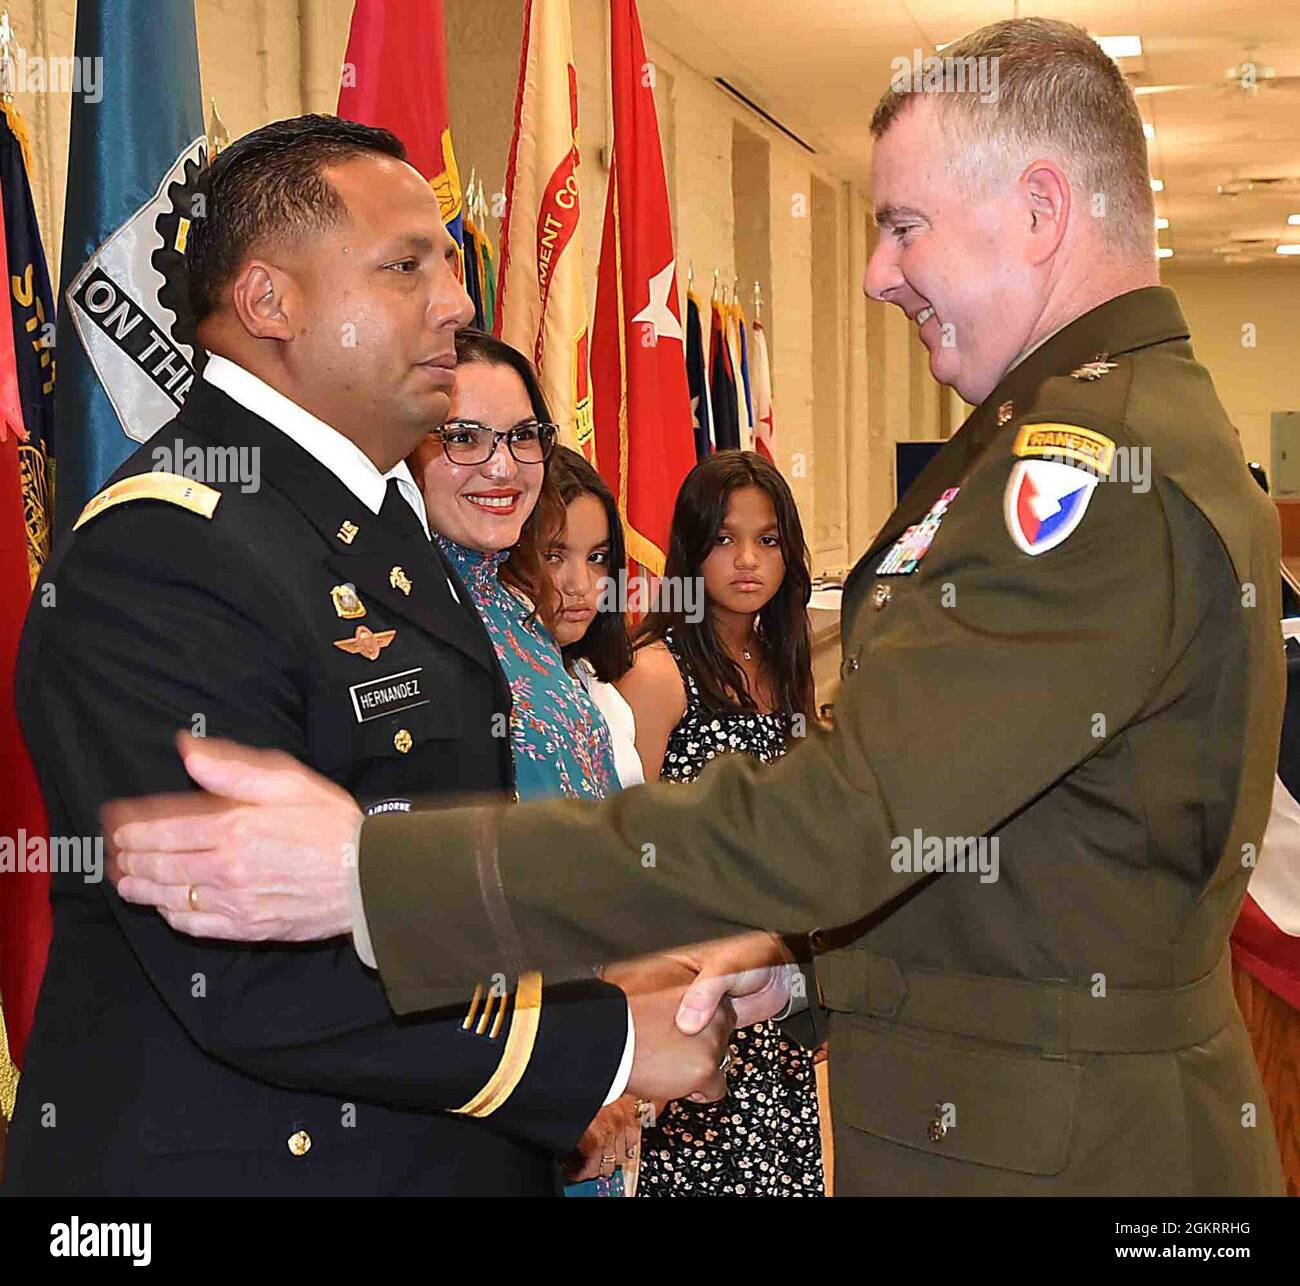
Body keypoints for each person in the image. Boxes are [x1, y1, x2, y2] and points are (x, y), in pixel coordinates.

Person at [108, 19, 1288, 1196]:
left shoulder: (1088, 471)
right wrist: (813, 971)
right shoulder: (178, 544)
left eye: (901, 224)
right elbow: (1033, 855)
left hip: (1066, 1148)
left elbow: (855, 812)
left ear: (1039, 212)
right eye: (405, 264)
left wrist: (381, 873)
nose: (878, 271)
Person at [6, 114, 729, 1197]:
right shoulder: (165, 551)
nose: (459, 303)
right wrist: (598, 1043)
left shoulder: (375, 521)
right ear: (268, 303)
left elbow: (430, 856)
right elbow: (244, 967)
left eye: (447, 261)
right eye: (407, 266)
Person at [616, 450, 824, 1197]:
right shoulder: (657, 671)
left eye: (767, 540)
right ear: (691, 547)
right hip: (693, 986)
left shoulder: (784, 662)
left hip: (773, 977)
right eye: (725, 539)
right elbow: (619, 842)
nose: (746, 561)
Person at [544, 446, 642, 789]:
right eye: (554, 556)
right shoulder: (504, 692)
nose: (581, 585)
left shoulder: (595, 682)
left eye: (598, 557)